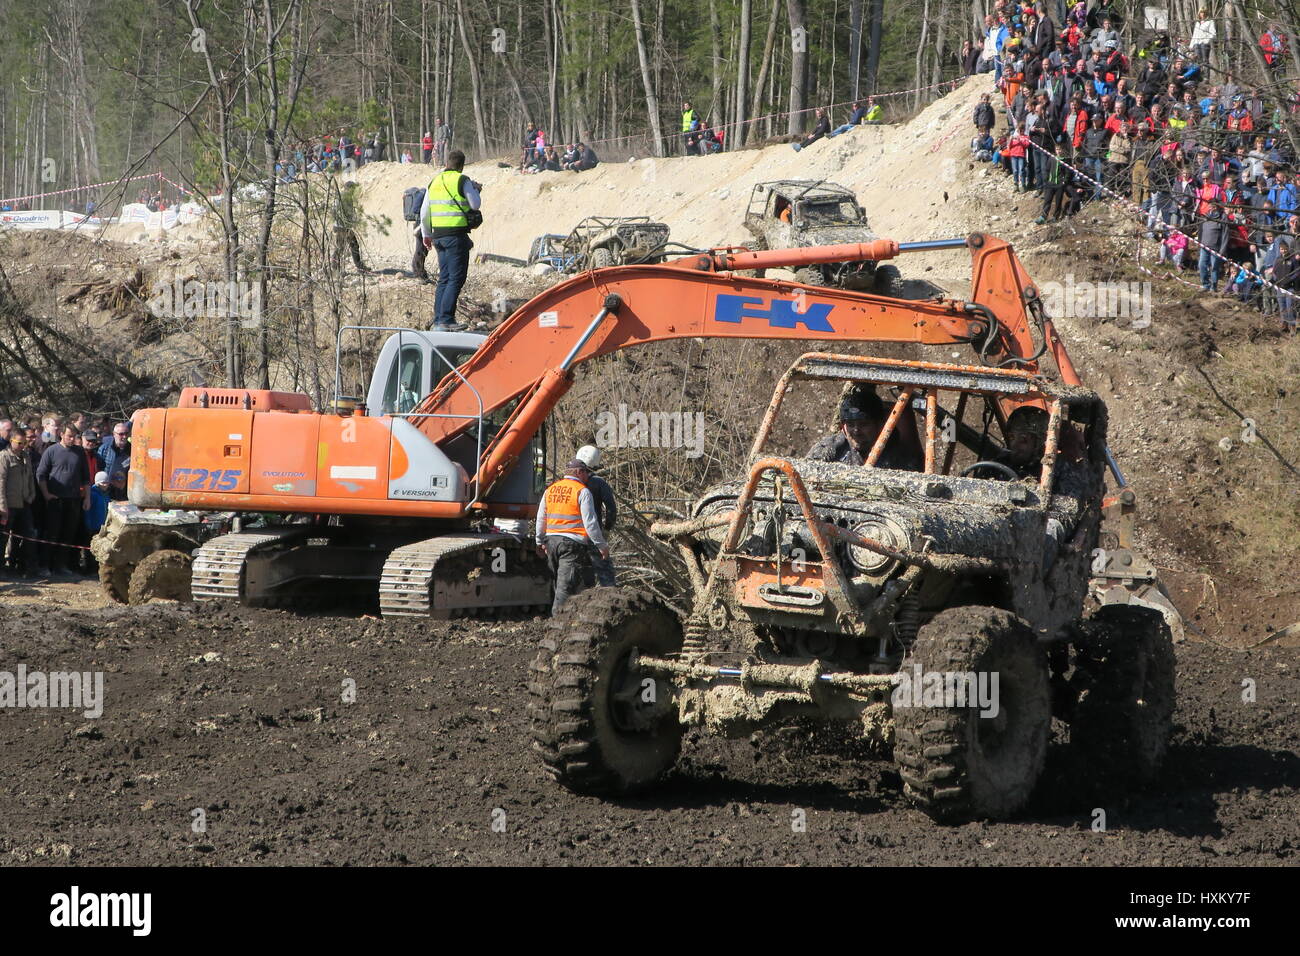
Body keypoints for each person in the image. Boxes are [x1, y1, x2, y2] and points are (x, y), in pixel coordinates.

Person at [535, 458, 609, 614]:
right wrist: (601, 545)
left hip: (552, 543)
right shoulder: (582, 491)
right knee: (565, 589)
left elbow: (541, 518)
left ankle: (564, 620)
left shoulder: (551, 489)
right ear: (579, 472)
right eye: (586, 473)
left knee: (558, 585)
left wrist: (540, 541)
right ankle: (557, 626)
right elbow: (590, 523)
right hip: (571, 545)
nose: (588, 477)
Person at [418, 150, 481, 332]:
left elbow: (424, 212)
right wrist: (475, 190)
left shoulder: (434, 181)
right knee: (456, 278)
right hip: (456, 235)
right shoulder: (462, 180)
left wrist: (426, 234)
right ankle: (446, 319)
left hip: (438, 236)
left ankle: (439, 320)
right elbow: (475, 204)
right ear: (461, 165)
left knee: (444, 279)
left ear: (447, 162)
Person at [806, 389, 923, 471]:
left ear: (880, 425)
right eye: (851, 424)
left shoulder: (901, 457)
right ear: (843, 427)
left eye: (864, 424)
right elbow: (806, 475)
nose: (856, 430)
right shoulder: (830, 449)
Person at [36, 425, 89, 577]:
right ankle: (45, 565)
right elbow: (41, 474)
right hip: (55, 499)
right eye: (69, 436)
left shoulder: (79, 452)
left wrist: (87, 498)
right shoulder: (51, 451)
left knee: (68, 534)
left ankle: (61, 565)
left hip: (73, 500)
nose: (72, 439)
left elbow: (86, 478)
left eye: (74, 436)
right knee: (52, 533)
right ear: (61, 434)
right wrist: (46, 494)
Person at [574, 444, 617, 587]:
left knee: (583, 572)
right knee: (605, 571)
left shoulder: (569, 484)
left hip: (573, 535)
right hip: (593, 534)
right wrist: (607, 529)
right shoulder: (599, 483)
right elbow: (611, 508)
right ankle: (610, 600)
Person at [0, 430, 37, 576]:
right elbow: (1, 482)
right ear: (11, 441)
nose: (22, 446)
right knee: (3, 538)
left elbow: (30, 479)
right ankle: (2, 568)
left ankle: (23, 566)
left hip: (24, 503)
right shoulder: (4, 457)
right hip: (9, 504)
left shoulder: (26, 456)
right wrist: (2, 505)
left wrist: (32, 494)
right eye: (19, 443)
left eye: (24, 443)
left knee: (27, 536)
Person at [333, 181, 370, 274]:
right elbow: (345, 213)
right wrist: (351, 223)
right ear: (349, 189)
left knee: (343, 247)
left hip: (341, 226)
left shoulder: (342, 197)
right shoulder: (345, 198)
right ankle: (337, 268)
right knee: (351, 246)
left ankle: (336, 267)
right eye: (353, 189)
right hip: (343, 226)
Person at [98, 422, 131, 500]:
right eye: (121, 434)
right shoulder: (104, 449)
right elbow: (99, 471)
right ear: (114, 434)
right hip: (107, 492)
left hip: (125, 494)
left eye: (126, 433)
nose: (124, 436)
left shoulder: (133, 450)